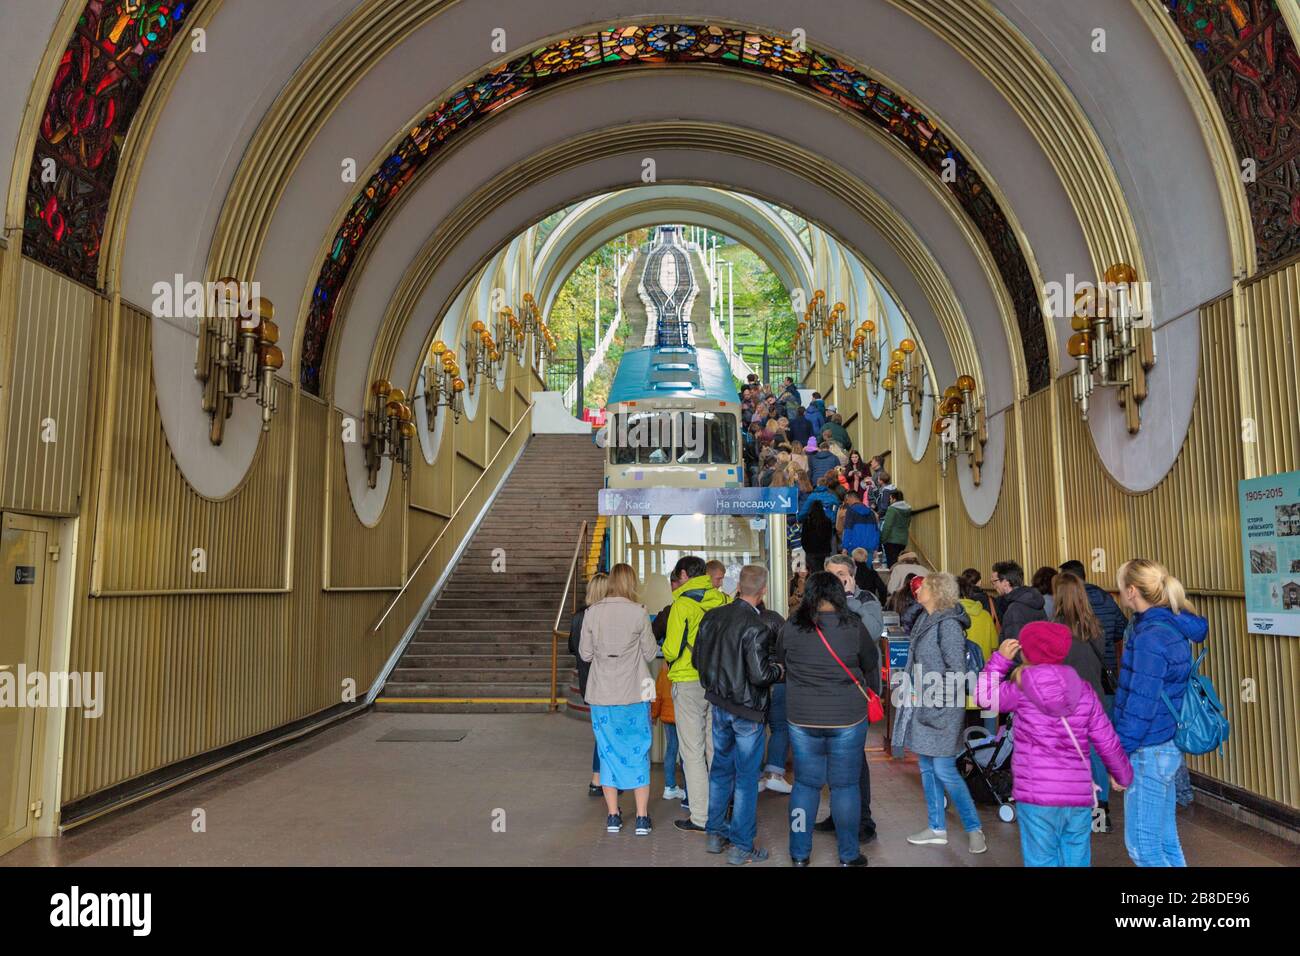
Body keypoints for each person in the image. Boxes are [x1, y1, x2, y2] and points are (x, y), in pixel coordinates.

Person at [977, 622, 1133, 867]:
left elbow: (984, 697)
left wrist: (999, 660)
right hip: (1077, 795)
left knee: (1041, 860)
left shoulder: (1020, 688)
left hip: (1036, 796)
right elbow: (1107, 739)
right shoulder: (1083, 690)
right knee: (1076, 857)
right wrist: (1122, 775)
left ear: (1025, 652)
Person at [776, 571, 878, 866]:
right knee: (845, 787)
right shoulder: (853, 626)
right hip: (847, 718)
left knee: (805, 786)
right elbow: (870, 663)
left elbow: (781, 661)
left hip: (802, 719)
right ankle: (848, 855)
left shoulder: (792, 626)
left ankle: (798, 854)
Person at [1112, 558, 1207, 867]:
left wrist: (1118, 757)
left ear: (1131, 591)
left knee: (1143, 848)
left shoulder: (1151, 636)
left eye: (1119, 585)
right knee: (1166, 841)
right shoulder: (1168, 625)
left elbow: (1141, 704)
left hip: (1147, 750)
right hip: (1164, 745)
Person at [693, 565, 785, 864]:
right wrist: (779, 670)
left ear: (737, 586)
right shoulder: (756, 627)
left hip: (719, 703)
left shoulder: (713, 616)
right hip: (747, 710)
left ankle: (714, 833)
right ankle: (742, 845)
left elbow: (697, 660)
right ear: (763, 591)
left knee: (720, 768)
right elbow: (760, 676)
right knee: (746, 777)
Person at [898, 572, 987, 854]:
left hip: (942, 707)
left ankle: (975, 830)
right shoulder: (926, 618)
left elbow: (957, 670)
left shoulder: (947, 624)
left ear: (936, 591)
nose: (918, 590)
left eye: (923, 586)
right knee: (927, 767)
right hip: (927, 703)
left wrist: (936, 700)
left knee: (944, 769)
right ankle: (937, 827)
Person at [579, 564, 658, 836]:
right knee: (638, 751)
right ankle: (642, 818)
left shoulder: (592, 613)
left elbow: (585, 654)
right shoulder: (639, 613)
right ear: (632, 582)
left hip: (602, 694)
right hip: (635, 694)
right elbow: (650, 653)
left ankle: (613, 816)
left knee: (607, 752)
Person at [662, 556, 730, 834]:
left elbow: (671, 649)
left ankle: (701, 817)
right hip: (719, 681)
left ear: (682, 574)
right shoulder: (724, 601)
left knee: (692, 751)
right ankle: (720, 811)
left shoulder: (683, 604)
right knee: (717, 748)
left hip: (689, 681)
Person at [820, 555, 885, 844]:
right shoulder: (819, 602)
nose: (836, 579)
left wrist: (848, 598)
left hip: (857, 690)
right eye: (831, 574)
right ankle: (839, 815)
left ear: (852, 576)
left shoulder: (866, 598)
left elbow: (871, 632)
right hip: (827, 691)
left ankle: (863, 820)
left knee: (855, 759)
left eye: (841, 574)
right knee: (831, 759)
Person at [1054, 571, 1115, 831]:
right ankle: (1100, 813)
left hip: (1067, 703)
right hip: (1094, 700)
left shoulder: (1055, 629)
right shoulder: (1094, 627)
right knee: (1095, 755)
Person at [568, 572, 610, 796]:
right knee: (606, 731)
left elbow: (573, 648)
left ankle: (600, 778)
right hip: (604, 682)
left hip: (587, 683)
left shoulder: (578, 617)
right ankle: (599, 779)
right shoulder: (602, 617)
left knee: (601, 730)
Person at [1059, 559, 1127, 681]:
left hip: (1082, 675)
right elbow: (1122, 628)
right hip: (1108, 670)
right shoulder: (1106, 597)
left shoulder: (1068, 604)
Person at [757, 600, 794, 796]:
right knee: (780, 728)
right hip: (779, 679)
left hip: (754, 681)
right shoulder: (773, 618)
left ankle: (755, 777)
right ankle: (774, 774)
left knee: (755, 728)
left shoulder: (743, 620)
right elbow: (789, 645)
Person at [958, 573, 999, 733]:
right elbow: (994, 646)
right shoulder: (985, 615)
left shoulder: (949, 617)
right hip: (982, 683)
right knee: (981, 733)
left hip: (958, 685)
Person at [651, 659, 686, 803]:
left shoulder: (664, 672)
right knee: (687, 752)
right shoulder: (685, 670)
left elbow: (657, 695)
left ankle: (669, 787)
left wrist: (653, 715)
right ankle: (689, 788)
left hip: (667, 717)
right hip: (684, 716)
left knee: (671, 750)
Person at [991, 560, 1047, 640]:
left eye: (995, 582)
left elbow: (1014, 648)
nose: (994, 586)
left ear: (1005, 583)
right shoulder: (1033, 599)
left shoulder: (1015, 610)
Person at [840, 490, 881, 565]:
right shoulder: (871, 512)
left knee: (855, 571)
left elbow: (848, 529)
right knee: (866, 572)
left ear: (851, 498)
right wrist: (875, 547)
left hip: (854, 547)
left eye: (847, 500)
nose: (847, 502)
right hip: (869, 546)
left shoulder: (850, 511)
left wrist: (845, 547)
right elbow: (876, 530)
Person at [799, 496, 834, 578]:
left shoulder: (807, 521)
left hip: (811, 552)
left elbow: (804, 538)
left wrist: (806, 549)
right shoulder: (827, 521)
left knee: (815, 574)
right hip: (824, 551)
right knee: (824, 573)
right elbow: (829, 536)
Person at [880, 489, 913, 567]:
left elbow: (887, 526)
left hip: (891, 540)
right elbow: (907, 524)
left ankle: (894, 578)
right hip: (903, 540)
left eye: (890, 499)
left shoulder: (892, 509)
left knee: (892, 565)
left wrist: (882, 539)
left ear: (894, 499)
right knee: (900, 563)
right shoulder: (908, 509)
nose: (890, 501)